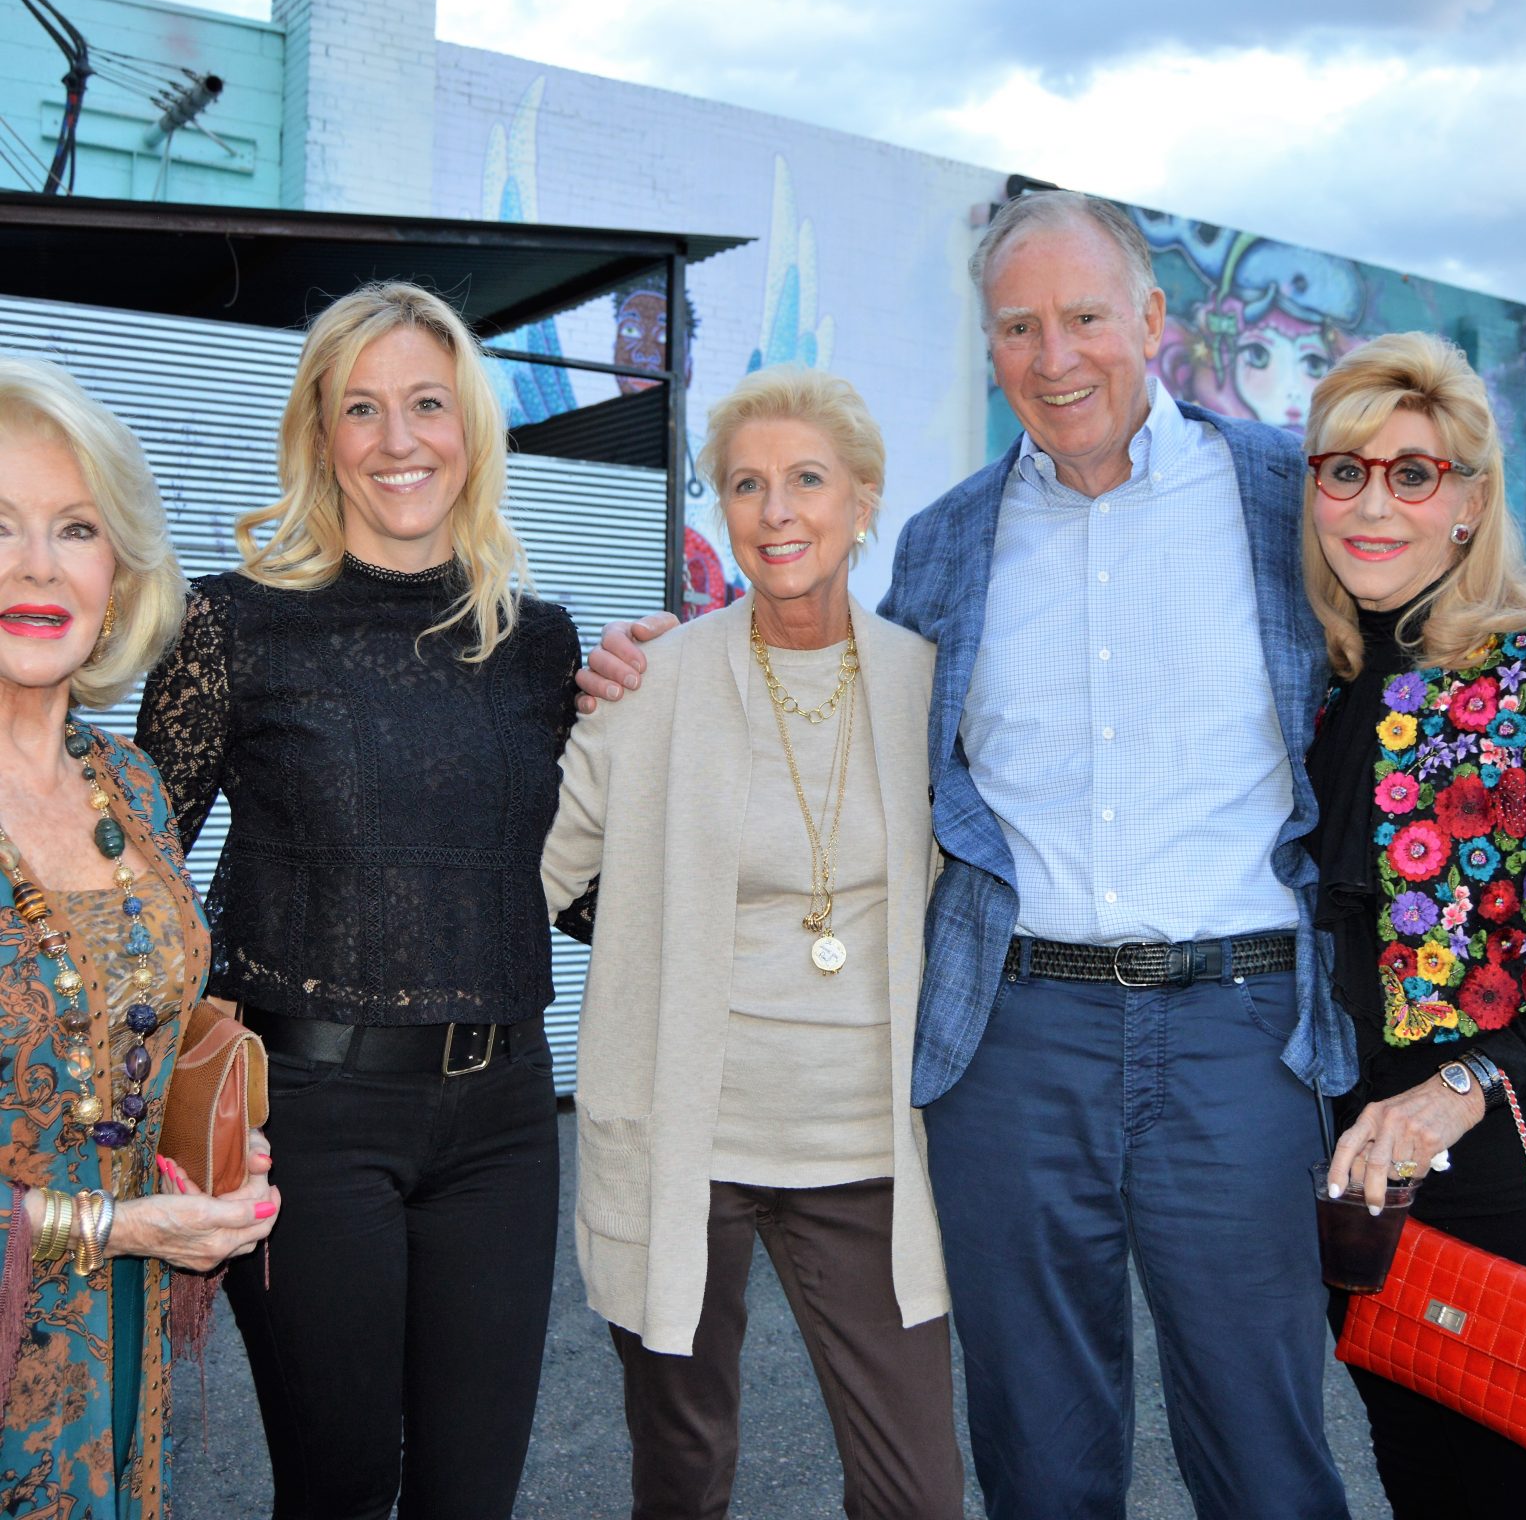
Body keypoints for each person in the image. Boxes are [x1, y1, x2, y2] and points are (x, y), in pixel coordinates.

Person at [579, 192, 1355, 1519]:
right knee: (1038, 1447)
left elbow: (1415, 672)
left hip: (1239, 1029)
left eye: (1085, 317)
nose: (1055, 357)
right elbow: (846, 720)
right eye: (1017, 327)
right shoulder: (948, 540)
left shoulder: (1287, 498)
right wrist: (659, 677)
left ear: (1152, 319)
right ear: (989, 345)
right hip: (1016, 1038)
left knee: (1263, 1441)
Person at [135, 282, 578, 1520]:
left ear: (471, 426)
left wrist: (665, 724)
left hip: (504, 1116)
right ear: (320, 434)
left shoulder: (540, 644)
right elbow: (139, 883)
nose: (398, 441)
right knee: (338, 1489)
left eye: (427, 404)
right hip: (310, 1118)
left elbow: (573, 888)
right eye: (363, 409)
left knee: (469, 1496)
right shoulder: (234, 625)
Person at [543, 367, 964, 1519]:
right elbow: (534, 876)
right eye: (745, 485)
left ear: (864, 499)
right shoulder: (653, 681)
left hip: (867, 1150)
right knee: (682, 1478)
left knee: (918, 1493)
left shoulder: (929, 686)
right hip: (686, 1145)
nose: (775, 511)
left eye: (807, 480)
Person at [0, 358, 278, 1519]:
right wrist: (115, 1226)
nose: (36, 565)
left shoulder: (133, 789)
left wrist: (206, 1157)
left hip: (118, 1332)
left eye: (75, 528)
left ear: (116, 577)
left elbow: (129, 1019)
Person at [1306, 332, 1526, 1512]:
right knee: (1423, 1476)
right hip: (1358, 1178)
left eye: (1414, 473)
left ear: (1469, 504)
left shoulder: (1524, 677)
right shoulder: (1323, 685)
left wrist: (1463, 1083)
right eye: (1346, 470)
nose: (1373, 504)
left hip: (1499, 1163)